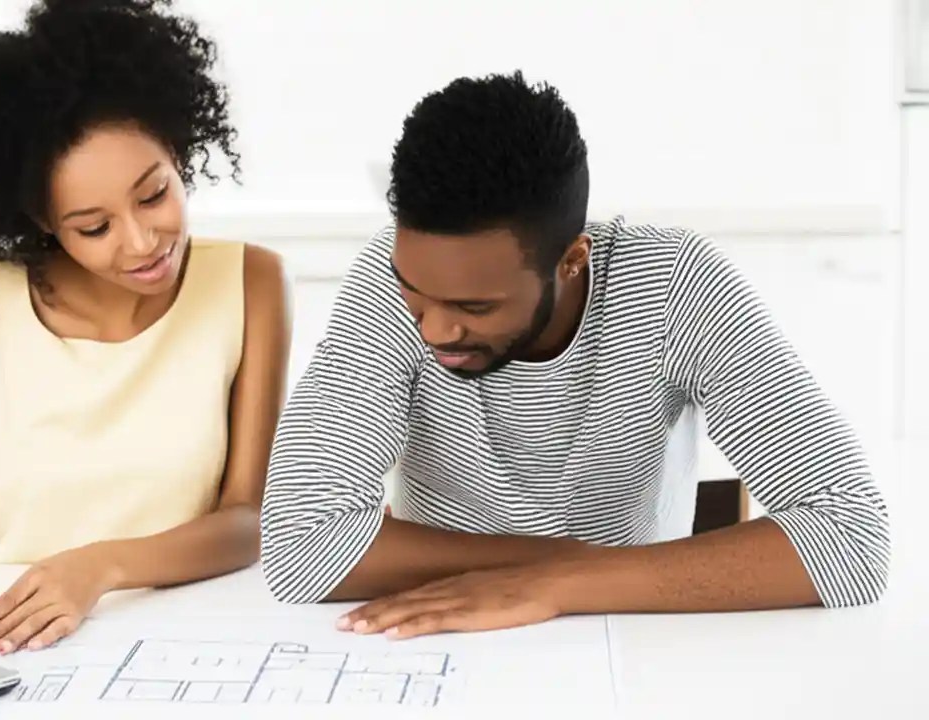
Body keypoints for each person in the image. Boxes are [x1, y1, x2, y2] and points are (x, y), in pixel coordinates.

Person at [259, 71, 890, 638]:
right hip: (441, 642)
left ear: (570, 262)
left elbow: (852, 535)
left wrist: (557, 587)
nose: (436, 329)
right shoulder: (383, 283)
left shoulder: (673, 284)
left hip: (631, 643)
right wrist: (551, 567)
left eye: (476, 308)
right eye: (415, 292)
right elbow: (296, 544)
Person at [0, 0, 291, 660]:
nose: (142, 242)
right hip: (25, 642)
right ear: (40, 220)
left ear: (180, 150)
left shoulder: (251, 282)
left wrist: (97, 568)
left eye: (154, 194)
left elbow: (245, 522)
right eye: (93, 228)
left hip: (199, 633)